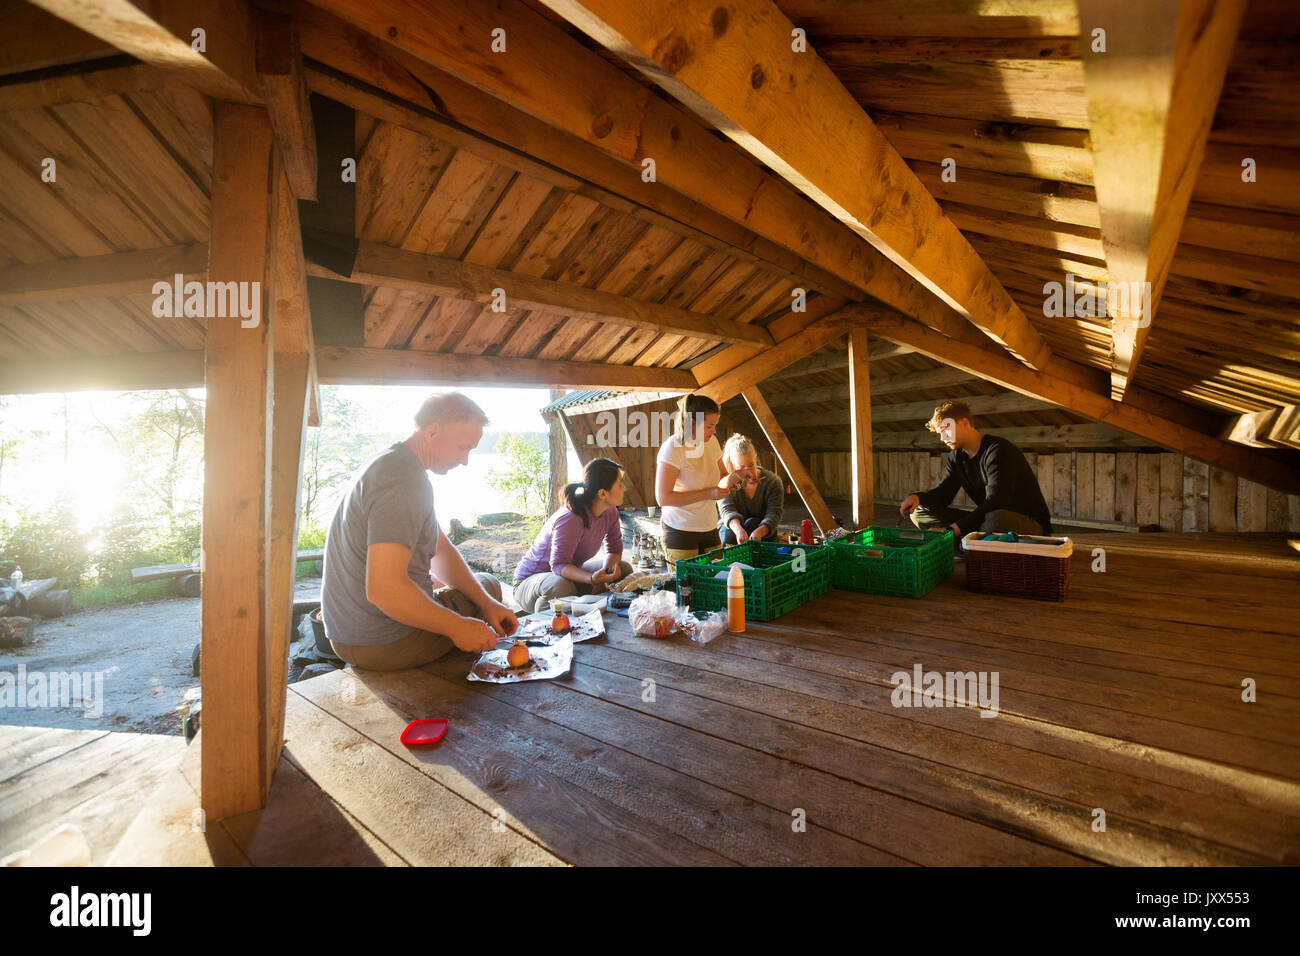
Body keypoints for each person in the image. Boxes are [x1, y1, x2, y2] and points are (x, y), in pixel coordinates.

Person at [321, 391, 519, 671]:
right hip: (385, 640)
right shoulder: (405, 483)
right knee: (489, 584)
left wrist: (486, 604)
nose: (465, 461)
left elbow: (440, 550)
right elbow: (384, 590)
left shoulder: (390, 463)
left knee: (485, 594)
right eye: (462, 447)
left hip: (347, 634)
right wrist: (458, 627)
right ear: (432, 431)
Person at [899, 400, 1052, 544]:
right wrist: (918, 497)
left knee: (996, 519)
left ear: (965, 423)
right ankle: (970, 543)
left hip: (1024, 522)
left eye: (946, 430)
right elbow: (945, 494)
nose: (942, 438)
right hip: (986, 518)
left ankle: (962, 543)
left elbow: (997, 501)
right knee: (918, 511)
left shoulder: (998, 450)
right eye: (939, 433)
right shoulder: (956, 456)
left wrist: (955, 529)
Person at [513, 458, 634, 614]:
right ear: (603, 493)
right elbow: (558, 565)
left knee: (623, 569)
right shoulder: (571, 518)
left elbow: (614, 549)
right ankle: (547, 625)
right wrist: (591, 579)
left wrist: (607, 572)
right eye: (620, 484)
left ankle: (602, 618)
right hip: (531, 584)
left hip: (567, 576)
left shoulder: (610, 511)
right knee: (560, 585)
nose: (624, 488)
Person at [654, 393, 731, 564]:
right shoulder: (673, 448)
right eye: (710, 426)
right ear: (692, 423)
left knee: (716, 584)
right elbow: (663, 497)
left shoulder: (712, 442)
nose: (715, 430)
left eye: (715, 425)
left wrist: (738, 477)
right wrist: (708, 493)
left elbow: (724, 476)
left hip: (710, 526)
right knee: (687, 588)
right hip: (680, 529)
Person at [717, 433, 784, 545]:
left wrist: (760, 531)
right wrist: (738, 530)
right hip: (732, 529)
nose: (747, 471)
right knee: (728, 534)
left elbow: (774, 513)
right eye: (741, 468)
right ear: (732, 466)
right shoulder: (726, 483)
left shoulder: (772, 482)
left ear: (755, 459)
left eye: (751, 465)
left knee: (753, 523)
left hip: (761, 531)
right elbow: (727, 510)